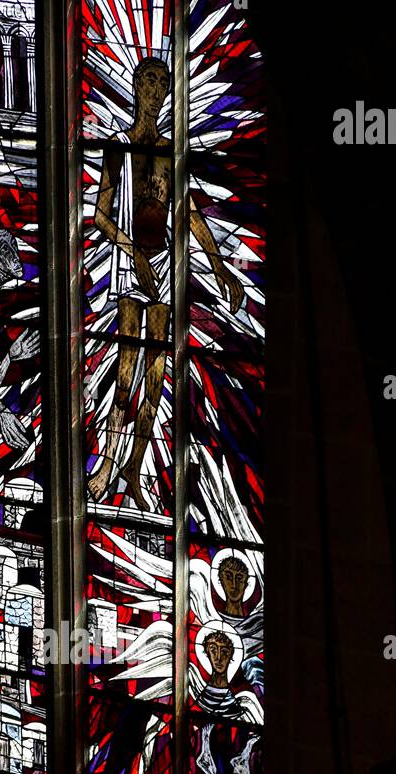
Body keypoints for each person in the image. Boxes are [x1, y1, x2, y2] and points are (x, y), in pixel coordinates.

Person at [88, 57, 243, 511]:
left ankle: (134, 470)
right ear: (136, 89)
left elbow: (188, 214)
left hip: (165, 266)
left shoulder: (172, 154)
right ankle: (105, 466)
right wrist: (132, 250)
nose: (154, 90)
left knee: (155, 377)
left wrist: (220, 268)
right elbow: (100, 214)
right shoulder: (117, 150)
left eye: (161, 83)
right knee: (125, 370)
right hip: (130, 265)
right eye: (147, 81)